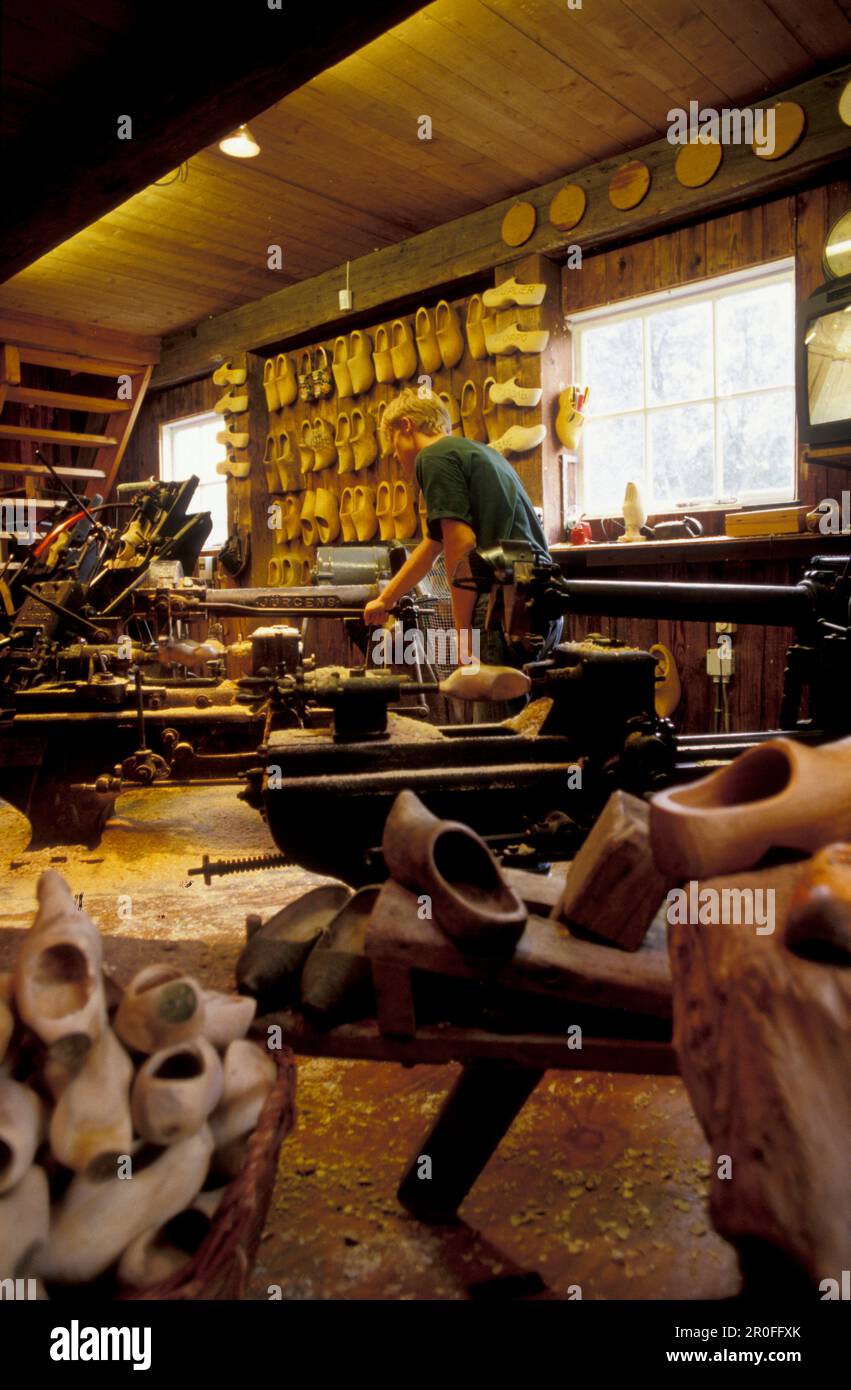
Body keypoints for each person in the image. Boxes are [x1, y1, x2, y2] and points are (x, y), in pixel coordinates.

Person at [362, 387, 561, 713]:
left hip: (503, 608)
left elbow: (461, 543)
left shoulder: (433, 457)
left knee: (490, 740)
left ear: (407, 426)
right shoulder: (477, 453)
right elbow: (434, 545)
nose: (395, 456)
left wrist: (463, 634)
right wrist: (388, 598)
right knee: (518, 727)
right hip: (540, 605)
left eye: (393, 443)